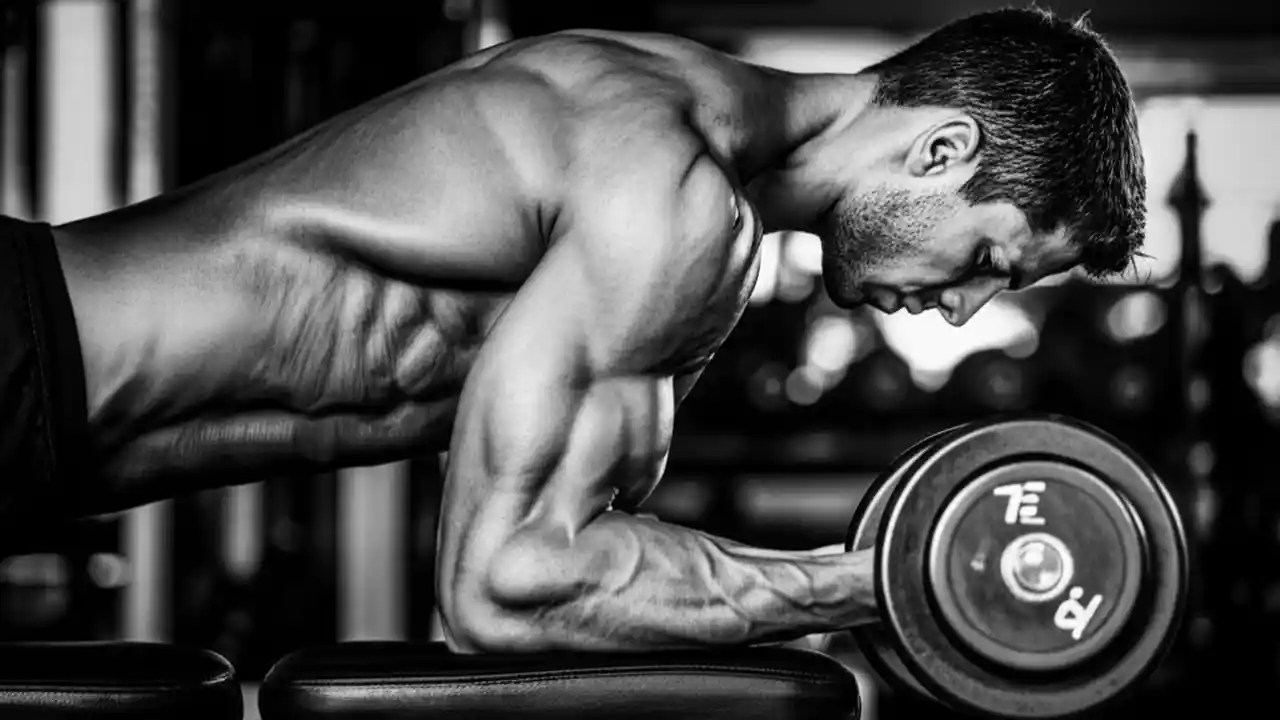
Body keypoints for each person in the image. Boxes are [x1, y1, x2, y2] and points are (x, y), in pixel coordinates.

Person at [0, 7, 1144, 652]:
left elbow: (571, 555)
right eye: (989, 258)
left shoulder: (692, 171)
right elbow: (509, 585)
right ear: (939, 151)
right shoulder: (674, 196)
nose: (959, 306)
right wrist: (895, 580)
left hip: (37, 438)